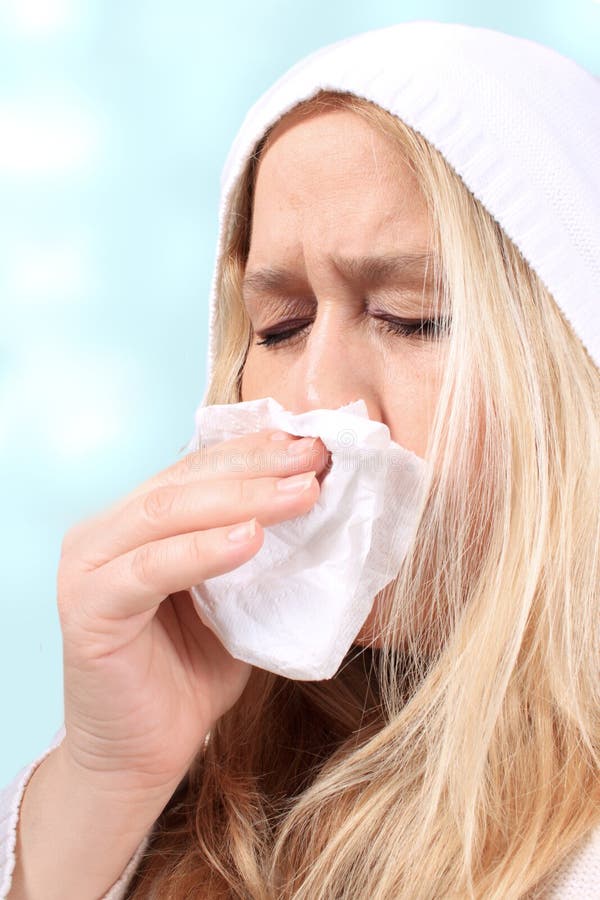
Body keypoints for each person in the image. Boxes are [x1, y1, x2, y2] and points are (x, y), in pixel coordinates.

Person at [2, 19, 599, 900]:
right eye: (279, 328)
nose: (314, 399)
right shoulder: (168, 799)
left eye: (410, 315)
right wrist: (105, 783)